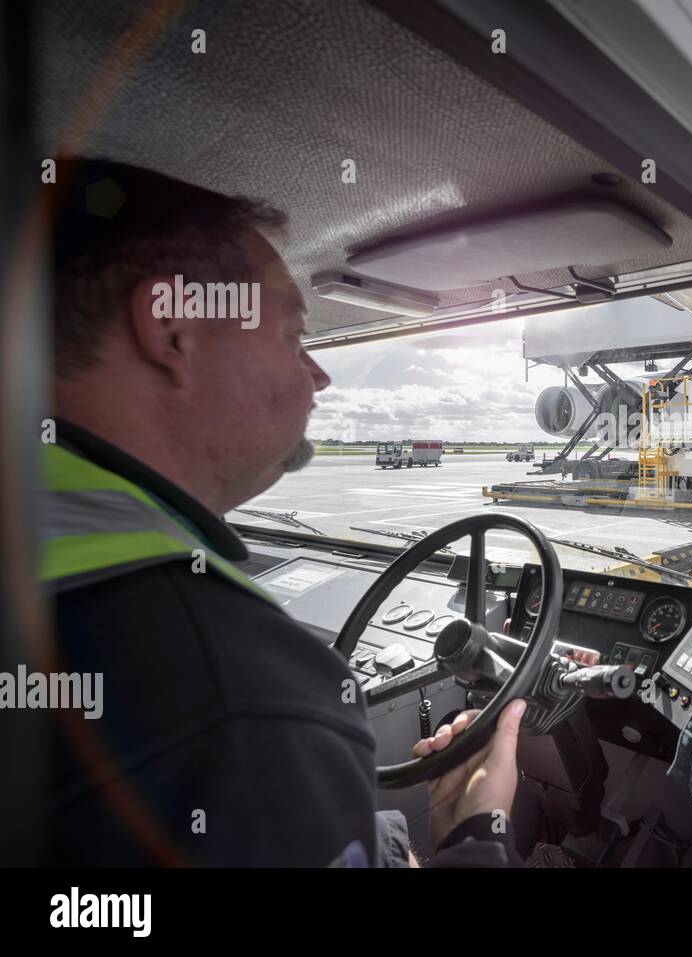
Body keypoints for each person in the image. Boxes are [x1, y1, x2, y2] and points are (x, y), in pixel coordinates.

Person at [40, 158, 523, 866]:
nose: (320, 372)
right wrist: (476, 835)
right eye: (294, 335)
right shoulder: (237, 700)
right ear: (174, 330)